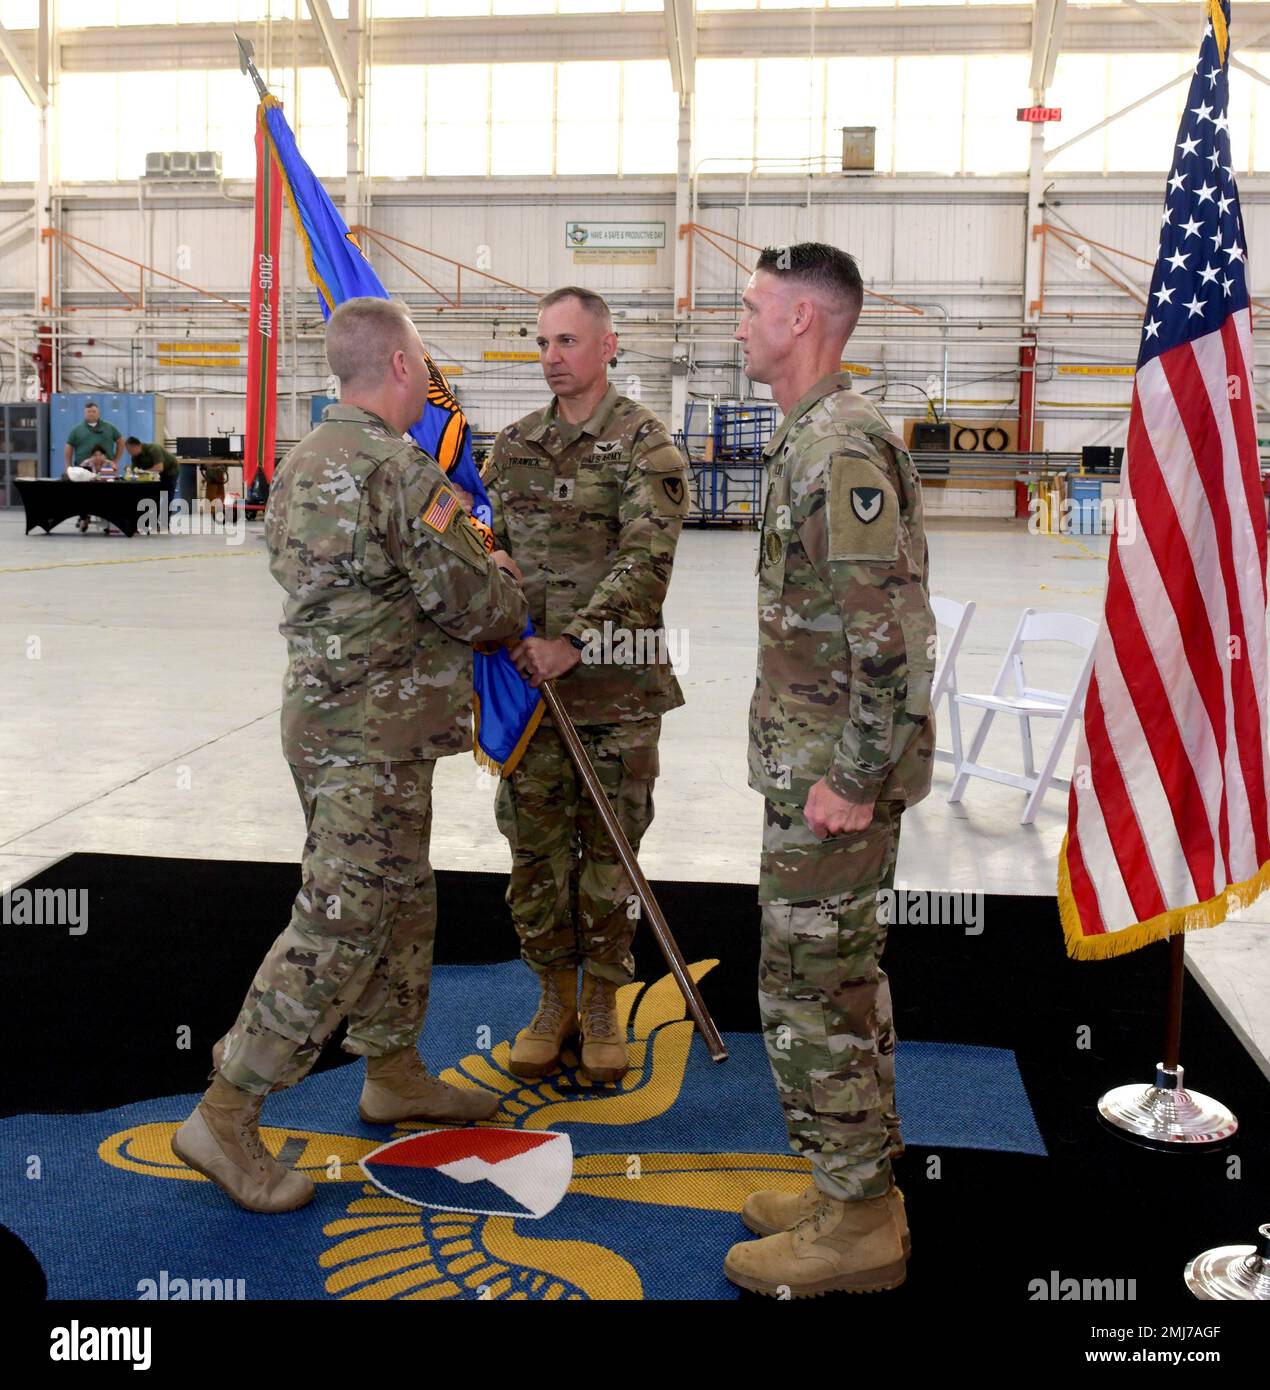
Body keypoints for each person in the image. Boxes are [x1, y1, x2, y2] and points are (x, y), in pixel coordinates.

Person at [171, 296, 529, 1213]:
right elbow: (476, 609)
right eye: (426, 366)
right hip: (373, 735)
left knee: (402, 898)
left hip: (333, 723)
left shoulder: (303, 461)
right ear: (401, 367)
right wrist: (507, 588)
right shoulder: (399, 473)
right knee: (342, 919)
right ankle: (226, 1109)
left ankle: (394, 1071)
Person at [723, 243, 935, 1297]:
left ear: (803, 321)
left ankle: (856, 1228)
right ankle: (854, 1186)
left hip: (831, 786)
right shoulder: (813, 437)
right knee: (833, 980)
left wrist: (852, 780)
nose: (739, 322)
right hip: (811, 770)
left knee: (813, 991)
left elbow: (889, 642)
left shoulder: (837, 446)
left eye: (754, 306)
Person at [485, 287, 689, 1084]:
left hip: (618, 694)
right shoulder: (512, 447)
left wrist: (575, 641)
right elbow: (487, 540)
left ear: (608, 345)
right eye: (542, 343)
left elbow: (648, 562)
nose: (552, 357)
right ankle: (551, 997)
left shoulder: (646, 446)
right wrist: (493, 577)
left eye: (567, 341)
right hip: (529, 695)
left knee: (611, 856)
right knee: (534, 853)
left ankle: (602, 998)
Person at [125, 436, 180, 517]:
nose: (129, 453)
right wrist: (129, 470)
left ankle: (164, 523)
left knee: (166, 497)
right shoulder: (135, 456)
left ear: (136, 446)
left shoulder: (154, 448)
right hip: (154, 474)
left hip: (170, 471)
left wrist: (143, 471)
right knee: (154, 496)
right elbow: (134, 470)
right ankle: (152, 521)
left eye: (130, 450)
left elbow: (159, 468)